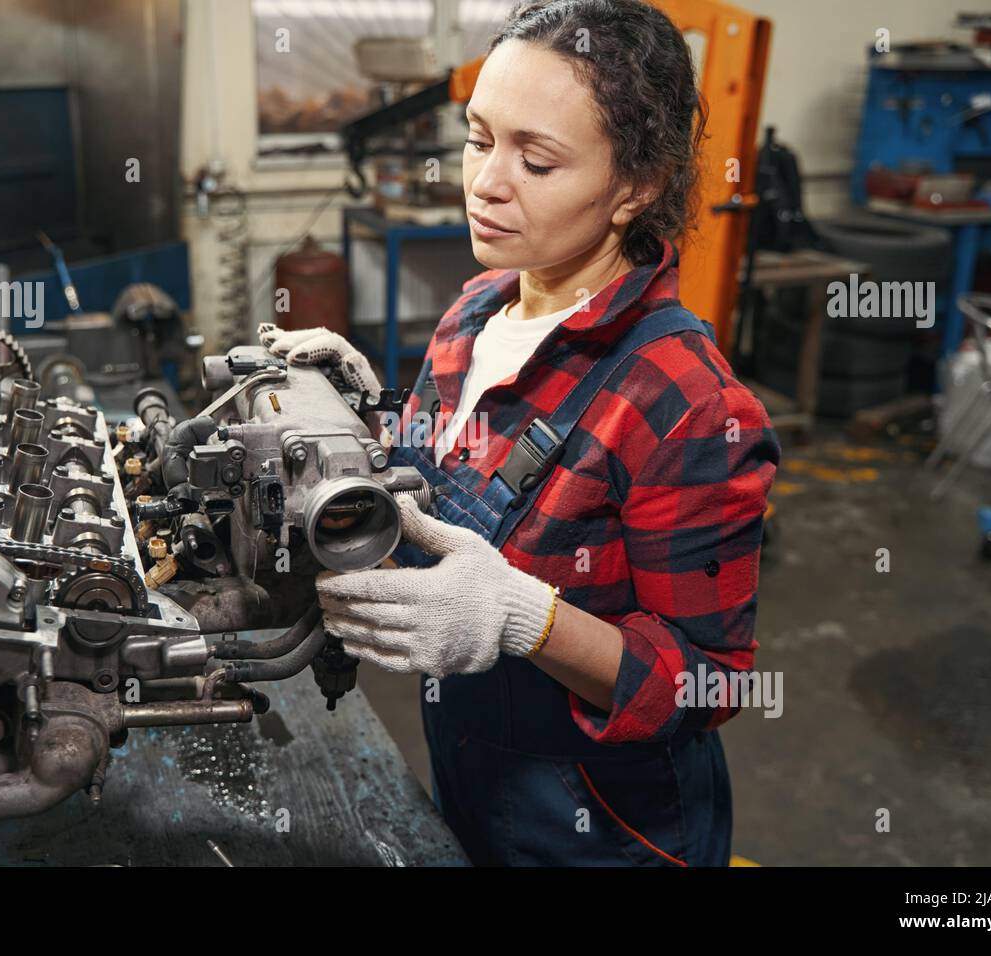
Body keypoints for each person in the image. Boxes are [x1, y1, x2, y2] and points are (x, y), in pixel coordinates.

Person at [259, 0, 779, 866]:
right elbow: (435, 487)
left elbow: (711, 678)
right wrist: (359, 416)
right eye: (477, 139)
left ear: (636, 188)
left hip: (604, 827)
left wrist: (525, 619)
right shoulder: (477, 308)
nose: (487, 183)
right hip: (469, 772)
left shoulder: (686, 403)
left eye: (536, 160)